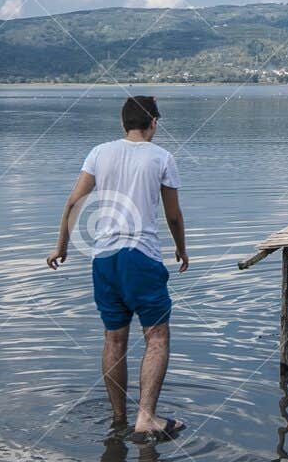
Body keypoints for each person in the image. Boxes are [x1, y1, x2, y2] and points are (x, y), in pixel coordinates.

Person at [47, 95, 188, 439]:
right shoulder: (162, 157)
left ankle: (119, 417)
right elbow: (172, 215)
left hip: (104, 259)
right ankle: (147, 418)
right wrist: (182, 249)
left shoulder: (99, 153)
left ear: (123, 124)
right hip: (141, 257)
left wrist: (61, 246)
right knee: (157, 337)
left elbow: (73, 202)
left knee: (114, 339)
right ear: (153, 122)